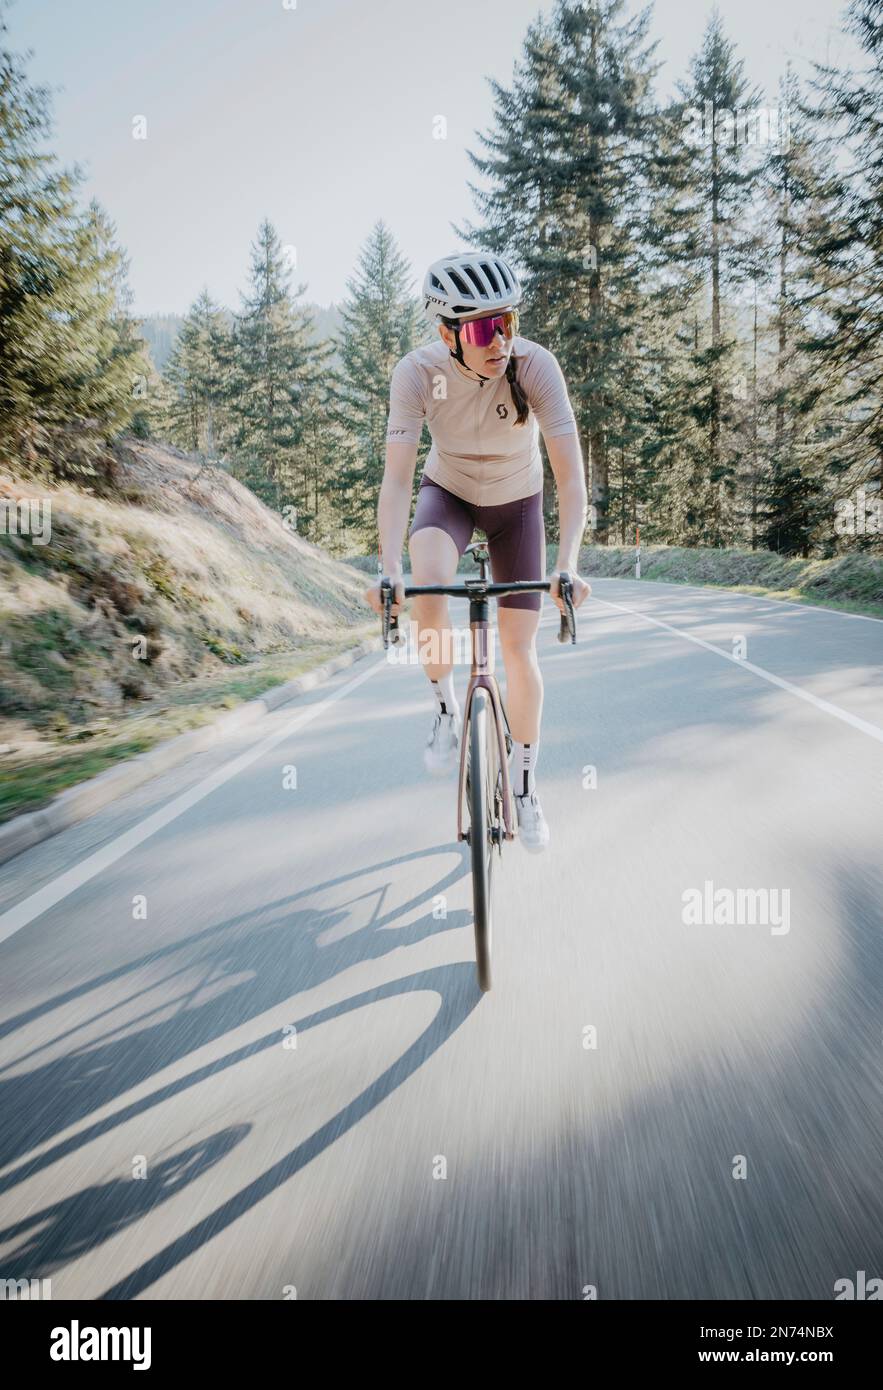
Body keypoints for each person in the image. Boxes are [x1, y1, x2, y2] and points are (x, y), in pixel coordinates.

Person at [364, 251, 590, 851]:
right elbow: (396, 480)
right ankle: (443, 707)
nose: (502, 340)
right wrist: (389, 572)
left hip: (518, 504)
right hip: (451, 495)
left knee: (519, 650)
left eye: (509, 321)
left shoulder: (535, 366)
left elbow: (571, 479)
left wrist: (567, 565)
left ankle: (524, 785)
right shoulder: (416, 374)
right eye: (486, 328)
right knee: (428, 592)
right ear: (448, 334)